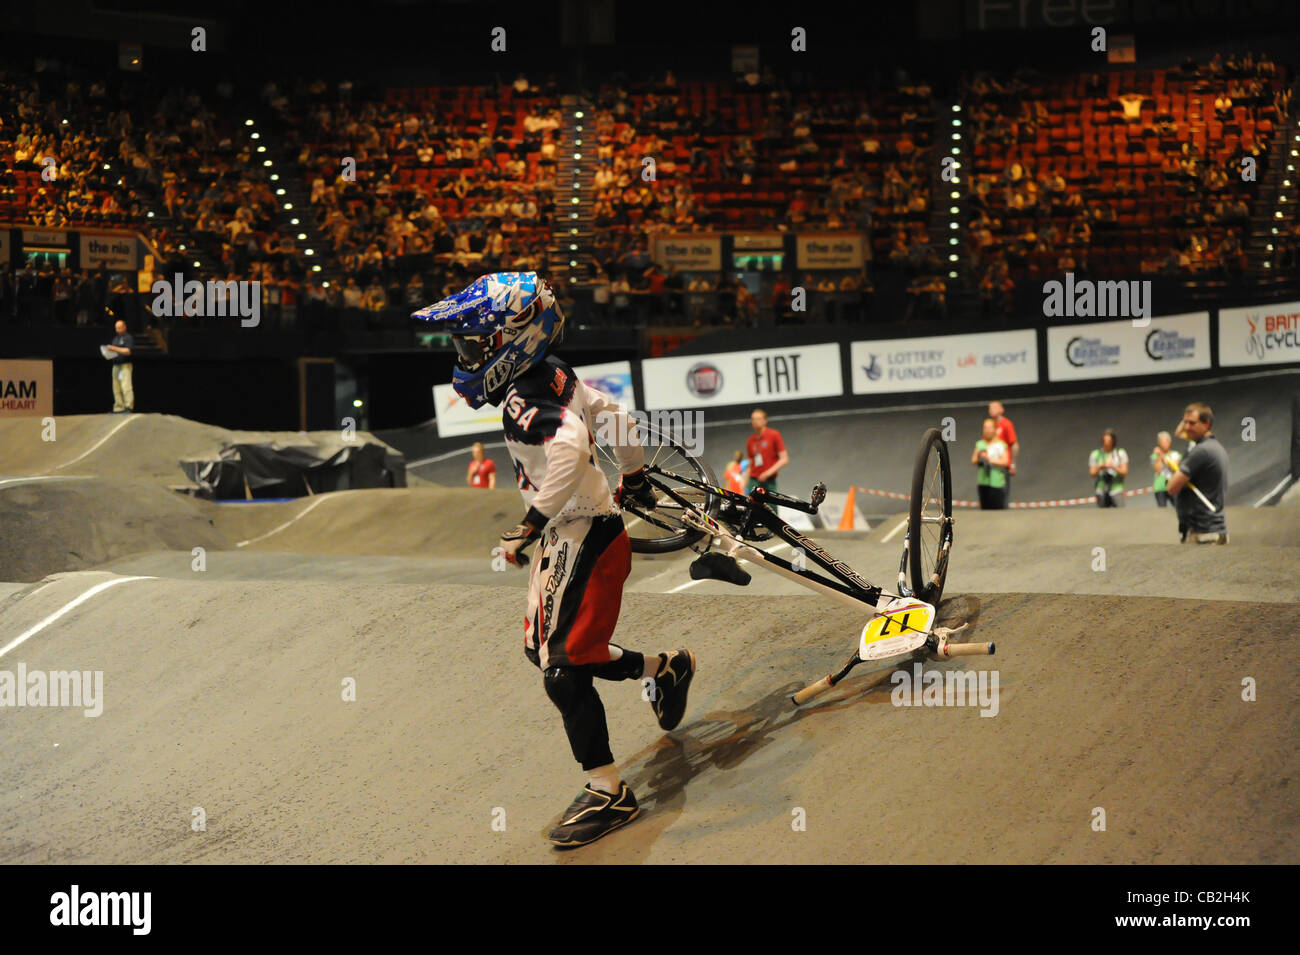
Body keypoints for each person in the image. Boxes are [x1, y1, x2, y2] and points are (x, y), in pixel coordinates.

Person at [412, 272, 696, 848]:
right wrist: (635, 471)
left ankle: (609, 791)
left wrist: (528, 525)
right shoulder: (552, 371)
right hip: (576, 534)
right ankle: (666, 668)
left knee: (563, 671)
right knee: (548, 652)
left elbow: (567, 447)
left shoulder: (524, 397)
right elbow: (612, 413)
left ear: (509, 340)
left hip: (585, 533)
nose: (464, 356)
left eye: (472, 345)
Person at [1168, 403, 1229, 543]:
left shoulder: (1201, 451)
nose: (1187, 427)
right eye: (1185, 423)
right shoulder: (1214, 447)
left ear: (1206, 424)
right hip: (1212, 530)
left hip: (1203, 534)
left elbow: (1172, 487)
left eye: (1192, 423)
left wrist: (1177, 472)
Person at [745, 408, 788, 493]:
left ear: (765, 421)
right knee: (751, 505)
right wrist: (743, 484)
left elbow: (784, 459)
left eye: (759, 419)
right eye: (753, 419)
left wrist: (767, 473)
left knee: (771, 505)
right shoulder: (750, 440)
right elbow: (750, 464)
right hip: (753, 480)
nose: (755, 421)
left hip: (768, 481)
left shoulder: (773, 435)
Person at [972, 418, 1010, 509]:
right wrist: (980, 458)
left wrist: (989, 459)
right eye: (985, 428)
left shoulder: (1001, 445)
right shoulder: (980, 444)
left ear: (995, 429)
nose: (987, 430)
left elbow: (1005, 461)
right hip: (983, 482)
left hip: (997, 483)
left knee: (997, 509)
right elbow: (974, 460)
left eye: (990, 428)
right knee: (985, 509)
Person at [988, 400, 1019, 500]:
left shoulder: (1006, 424)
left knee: (1002, 491)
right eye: (990, 408)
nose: (991, 410)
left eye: (994, 407)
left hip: (1003, 464)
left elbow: (1014, 444)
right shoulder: (989, 425)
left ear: (1001, 409)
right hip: (991, 463)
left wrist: (1013, 464)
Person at [1089, 429, 1129, 507]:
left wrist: (1113, 467)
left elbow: (1125, 472)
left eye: (1109, 440)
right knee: (1103, 516)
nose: (1107, 443)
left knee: (1120, 515)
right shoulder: (1096, 454)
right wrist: (1100, 467)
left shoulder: (1120, 453)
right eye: (1105, 440)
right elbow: (1092, 474)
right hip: (1101, 490)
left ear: (1113, 441)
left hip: (1116, 489)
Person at [106, 318, 134, 413]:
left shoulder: (128, 337)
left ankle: (128, 406)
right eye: (116, 328)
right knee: (116, 387)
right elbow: (114, 350)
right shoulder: (115, 338)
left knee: (126, 386)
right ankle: (119, 407)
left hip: (125, 365)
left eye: (120, 327)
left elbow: (128, 351)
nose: (118, 330)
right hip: (116, 365)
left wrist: (115, 349)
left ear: (124, 327)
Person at [1150, 431, 1182, 507]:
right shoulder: (1155, 456)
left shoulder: (1176, 454)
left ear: (1169, 442)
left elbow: (1174, 467)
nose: (1164, 444)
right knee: (1162, 511)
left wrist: (1161, 455)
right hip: (1160, 487)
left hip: (1173, 485)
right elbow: (1158, 470)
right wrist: (1159, 457)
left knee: (1177, 508)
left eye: (1165, 441)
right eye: (1161, 442)